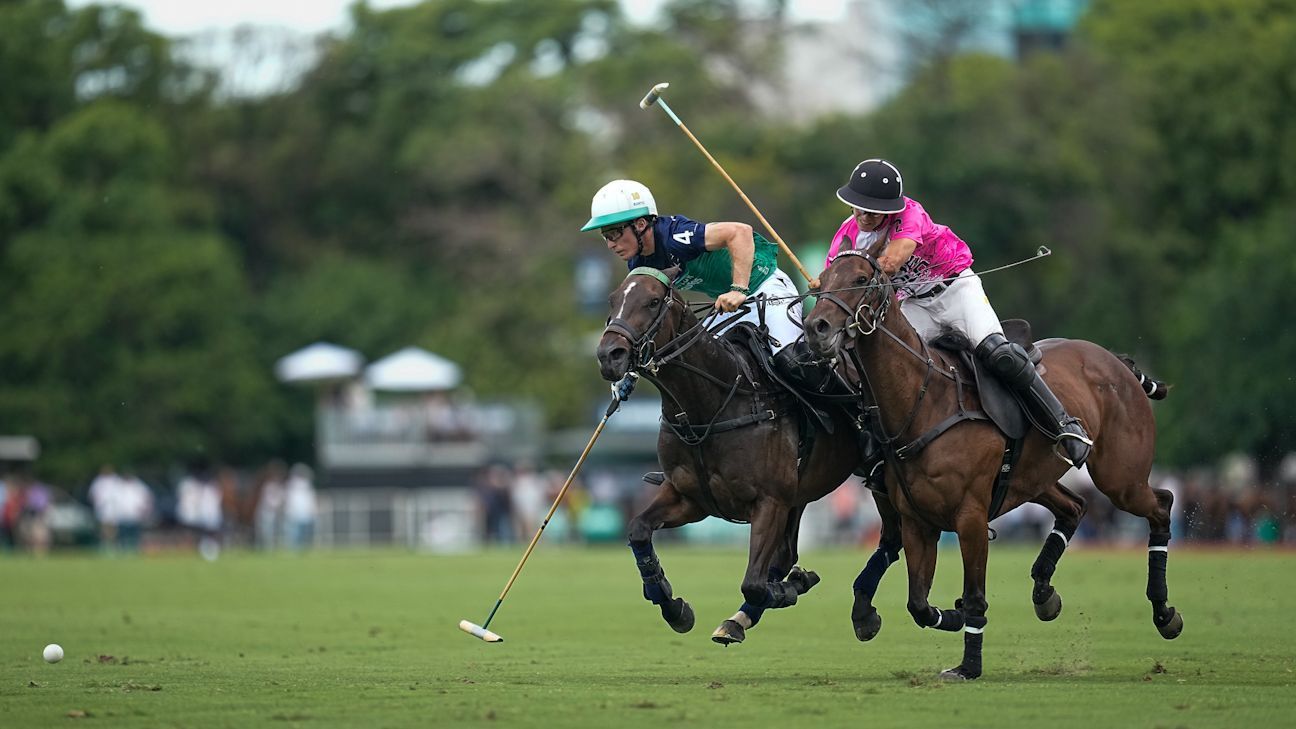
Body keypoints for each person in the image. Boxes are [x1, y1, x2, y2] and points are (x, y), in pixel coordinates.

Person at [822, 158, 1092, 467]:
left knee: (1000, 353)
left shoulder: (910, 214)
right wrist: (824, 283)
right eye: (857, 208)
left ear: (888, 209)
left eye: (871, 211)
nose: (862, 216)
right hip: (915, 303)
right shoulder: (848, 232)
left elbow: (892, 261)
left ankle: (1064, 424)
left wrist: (855, 270)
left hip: (955, 290)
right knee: (883, 365)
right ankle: (878, 445)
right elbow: (834, 274)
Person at [582, 179, 804, 361]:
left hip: (767, 289)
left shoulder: (676, 236)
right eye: (605, 236)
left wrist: (738, 289)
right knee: (702, 364)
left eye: (614, 234)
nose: (610, 244)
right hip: (729, 308)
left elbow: (740, 232)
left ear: (640, 225)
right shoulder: (639, 264)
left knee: (791, 361)